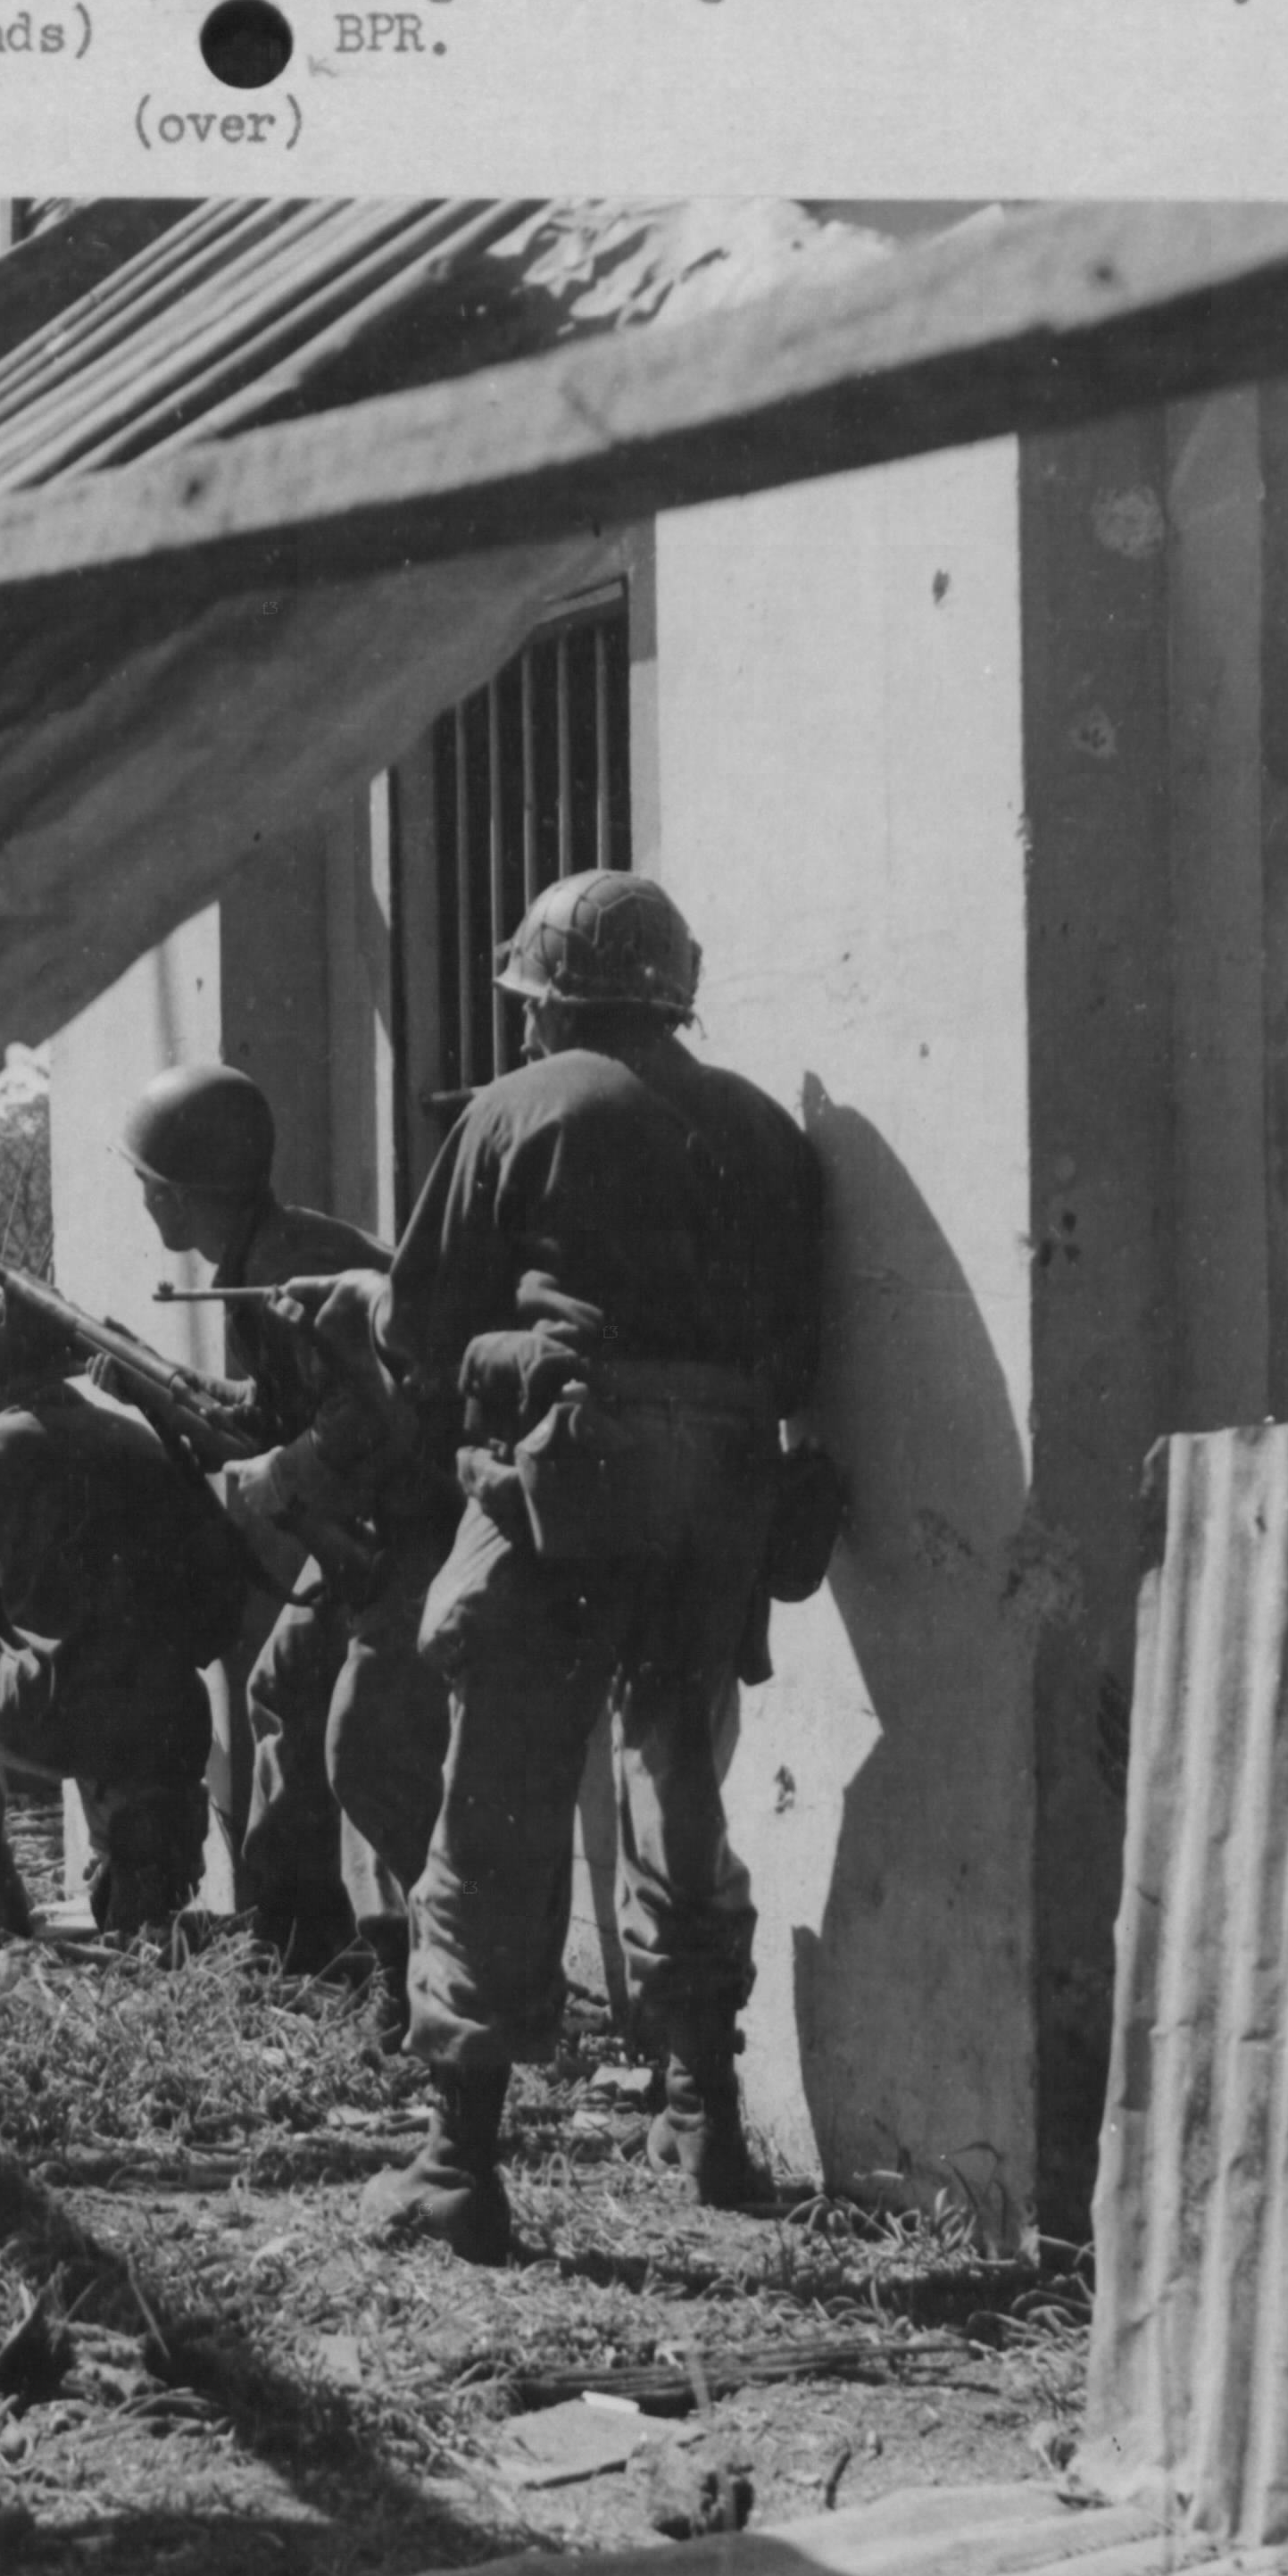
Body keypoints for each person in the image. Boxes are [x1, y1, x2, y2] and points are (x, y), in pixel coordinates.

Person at [359, 871, 827, 2261]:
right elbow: (796, 1349)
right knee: (679, 1778)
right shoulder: (762, 1127)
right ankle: (705, 2110)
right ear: (673, 991)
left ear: (551, 995)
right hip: (726, 1501)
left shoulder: (520, 1109)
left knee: (498, 1797)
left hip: (564, 1496)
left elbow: (421, 1329)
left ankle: (459, 2160)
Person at [115, 1063, 453, 1981]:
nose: (144, 1204)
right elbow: (278, 1408)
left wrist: (289, 1469)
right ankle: (300, 1944)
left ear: (180, 1196)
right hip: (377, 1523)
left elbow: (391, 1400)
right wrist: (157, 1383)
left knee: (369, 1746)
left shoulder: (288, 1262)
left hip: (422, 1525)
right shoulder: (263, 1254)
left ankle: (425, 1972)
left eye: (148, 1188)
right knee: (287, 1691)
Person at [0, 1283, 245, 1941]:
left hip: (46, 1715)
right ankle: (134, 1866)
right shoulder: (143, 1442)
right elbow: (211, 1610)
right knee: (120, 1669)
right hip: (161, 1723)